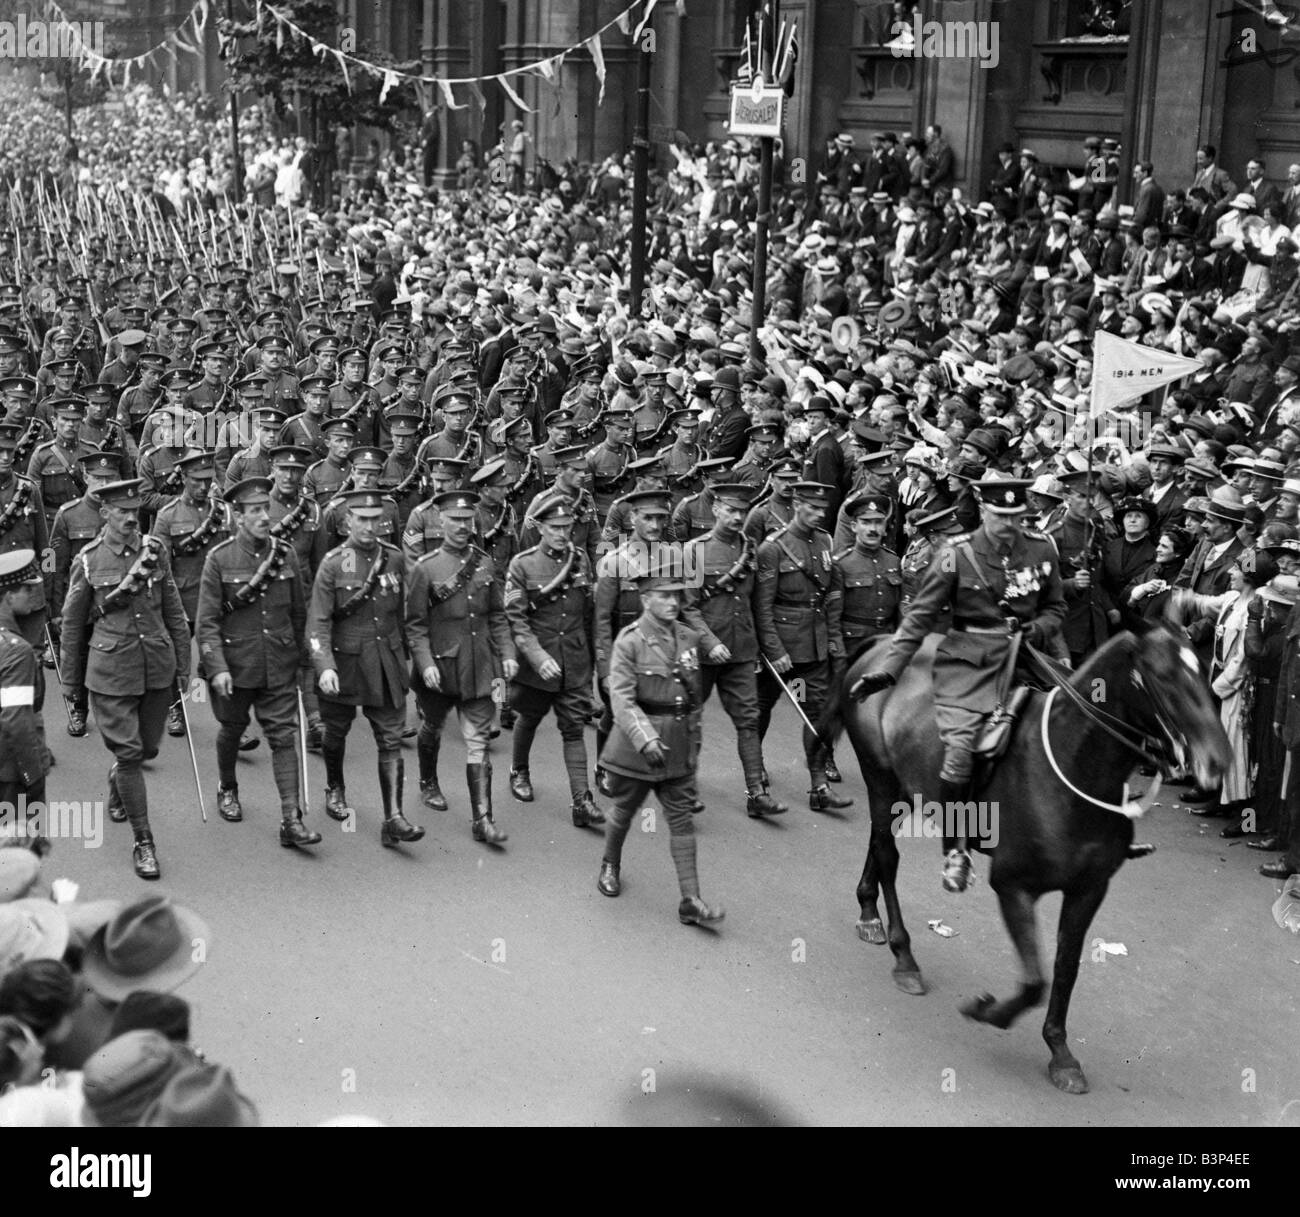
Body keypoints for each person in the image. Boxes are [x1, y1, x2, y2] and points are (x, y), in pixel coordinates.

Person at [851, 475, 1066, 893]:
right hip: (968, 662)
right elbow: (920, 617)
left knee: (1083, 717)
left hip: (1027, 657)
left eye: (1016, 516)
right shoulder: (955, 554)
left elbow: (1056, 607)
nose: (1008, 524)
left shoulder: (1042, 549)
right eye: (1000, 515)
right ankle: (956, 848)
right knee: (960, 751)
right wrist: (890, 669)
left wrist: (1037, 628)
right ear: (983, 511)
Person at [59, 479, 191, 880]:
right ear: (105, 514)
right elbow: (72, 625)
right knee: (131, 754)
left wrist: (184, 666)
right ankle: (144, 840)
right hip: (111, 671)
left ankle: (119, 779)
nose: (132, 518)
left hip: (156, 667)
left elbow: (173, 610)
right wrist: (71, 683)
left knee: (147, 750)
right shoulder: (88, 560)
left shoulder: (156, 551)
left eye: (135, 511)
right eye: (122, 512)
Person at [595, 565, 725, 928]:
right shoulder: (629, 641)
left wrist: (694, 745)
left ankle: (690, 900)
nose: (673, 602)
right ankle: (610, 864)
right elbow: (621, 699)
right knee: (625, 809)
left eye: (677, 596)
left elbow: (694, 698)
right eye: (664, 596)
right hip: (639, 746)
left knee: (681, 820)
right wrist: (645, 737)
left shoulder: (688, 637)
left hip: (678, 742)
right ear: (645, 599)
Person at [195, 476, 320, 850]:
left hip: (279, 662)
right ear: (238, 517)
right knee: (233, 729)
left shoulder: (286, 554)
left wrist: (303, 660)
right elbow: (207, 623)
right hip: (237, 666)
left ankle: (291, 819)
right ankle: (227, 786)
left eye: (266, 508)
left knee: (283, 737)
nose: (265, 516)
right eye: (255, 511)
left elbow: (299, 613)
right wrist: (217, 668)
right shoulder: (219, 560)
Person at [306, 489, 423, 847]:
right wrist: (324, 666)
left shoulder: (395, 558)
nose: (370, 527)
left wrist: (414, 657)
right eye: (362, 520)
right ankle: (335, 787)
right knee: (335, 731)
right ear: (348, 522)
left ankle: (394, 817)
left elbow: (406, 614)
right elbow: (318, 623)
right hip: (344, 661)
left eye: (375, 520)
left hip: (385, 660)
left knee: (390, 738)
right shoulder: (333, 563)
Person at [405, 488, 514, 843]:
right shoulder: (425, 568)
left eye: (468, 520)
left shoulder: (485, 563)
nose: (463, 526)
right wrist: (424, 663)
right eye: (455, 519)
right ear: (441, 521)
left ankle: (482, 818)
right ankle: (427, 781)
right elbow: (415, 625)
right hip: (440, 667)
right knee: (433, 725)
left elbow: (497, 615)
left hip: (479, 664)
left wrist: (507, 652)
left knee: (478, 740)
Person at [680, 483, 786, 817]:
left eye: (742, 511)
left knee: (749, 720)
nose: (738, 517)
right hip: (704, 654)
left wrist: (766, 648)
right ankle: (684, 790)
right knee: (691, 719)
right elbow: (688, 607)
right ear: (716, 510)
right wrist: (710, 643)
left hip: (742, 651)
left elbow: (758, 604)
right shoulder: (694, 551)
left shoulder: (750, 550)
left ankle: (757, 793)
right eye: (730, 510)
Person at [503, 493, 605, 828]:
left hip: (574, 661)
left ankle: (582, 800)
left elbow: (588, 613)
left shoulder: (580, 560)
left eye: (567, 527)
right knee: (529, 717)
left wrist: (593, 662)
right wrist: (536, 656)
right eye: (555, 527)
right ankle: (519, 770)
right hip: (537, 665)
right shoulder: (523, 565)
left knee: (573, 728)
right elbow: (516, 620)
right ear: (540, 528)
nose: (562, 533)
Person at [754, 481, 853, 812]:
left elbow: (831, 596)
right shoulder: (773, 548)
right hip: (781, 651)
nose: (819, 514)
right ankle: (755, 774)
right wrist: (774, 651)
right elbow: (762, 607)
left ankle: (819, 786)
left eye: (823, 508)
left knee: (817, 716)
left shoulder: (825, 541)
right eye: (812, 507)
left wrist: (832, 641)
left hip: (813, 648)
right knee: (761, 709)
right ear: (797, 505)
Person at [0, 550, 50, 822]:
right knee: (23, 842)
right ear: (9, 596)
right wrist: (33, 775)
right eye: (26, 589)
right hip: (9, 773)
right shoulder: (17, 651)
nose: (32, 594)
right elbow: (17, 721)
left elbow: (48, 550)